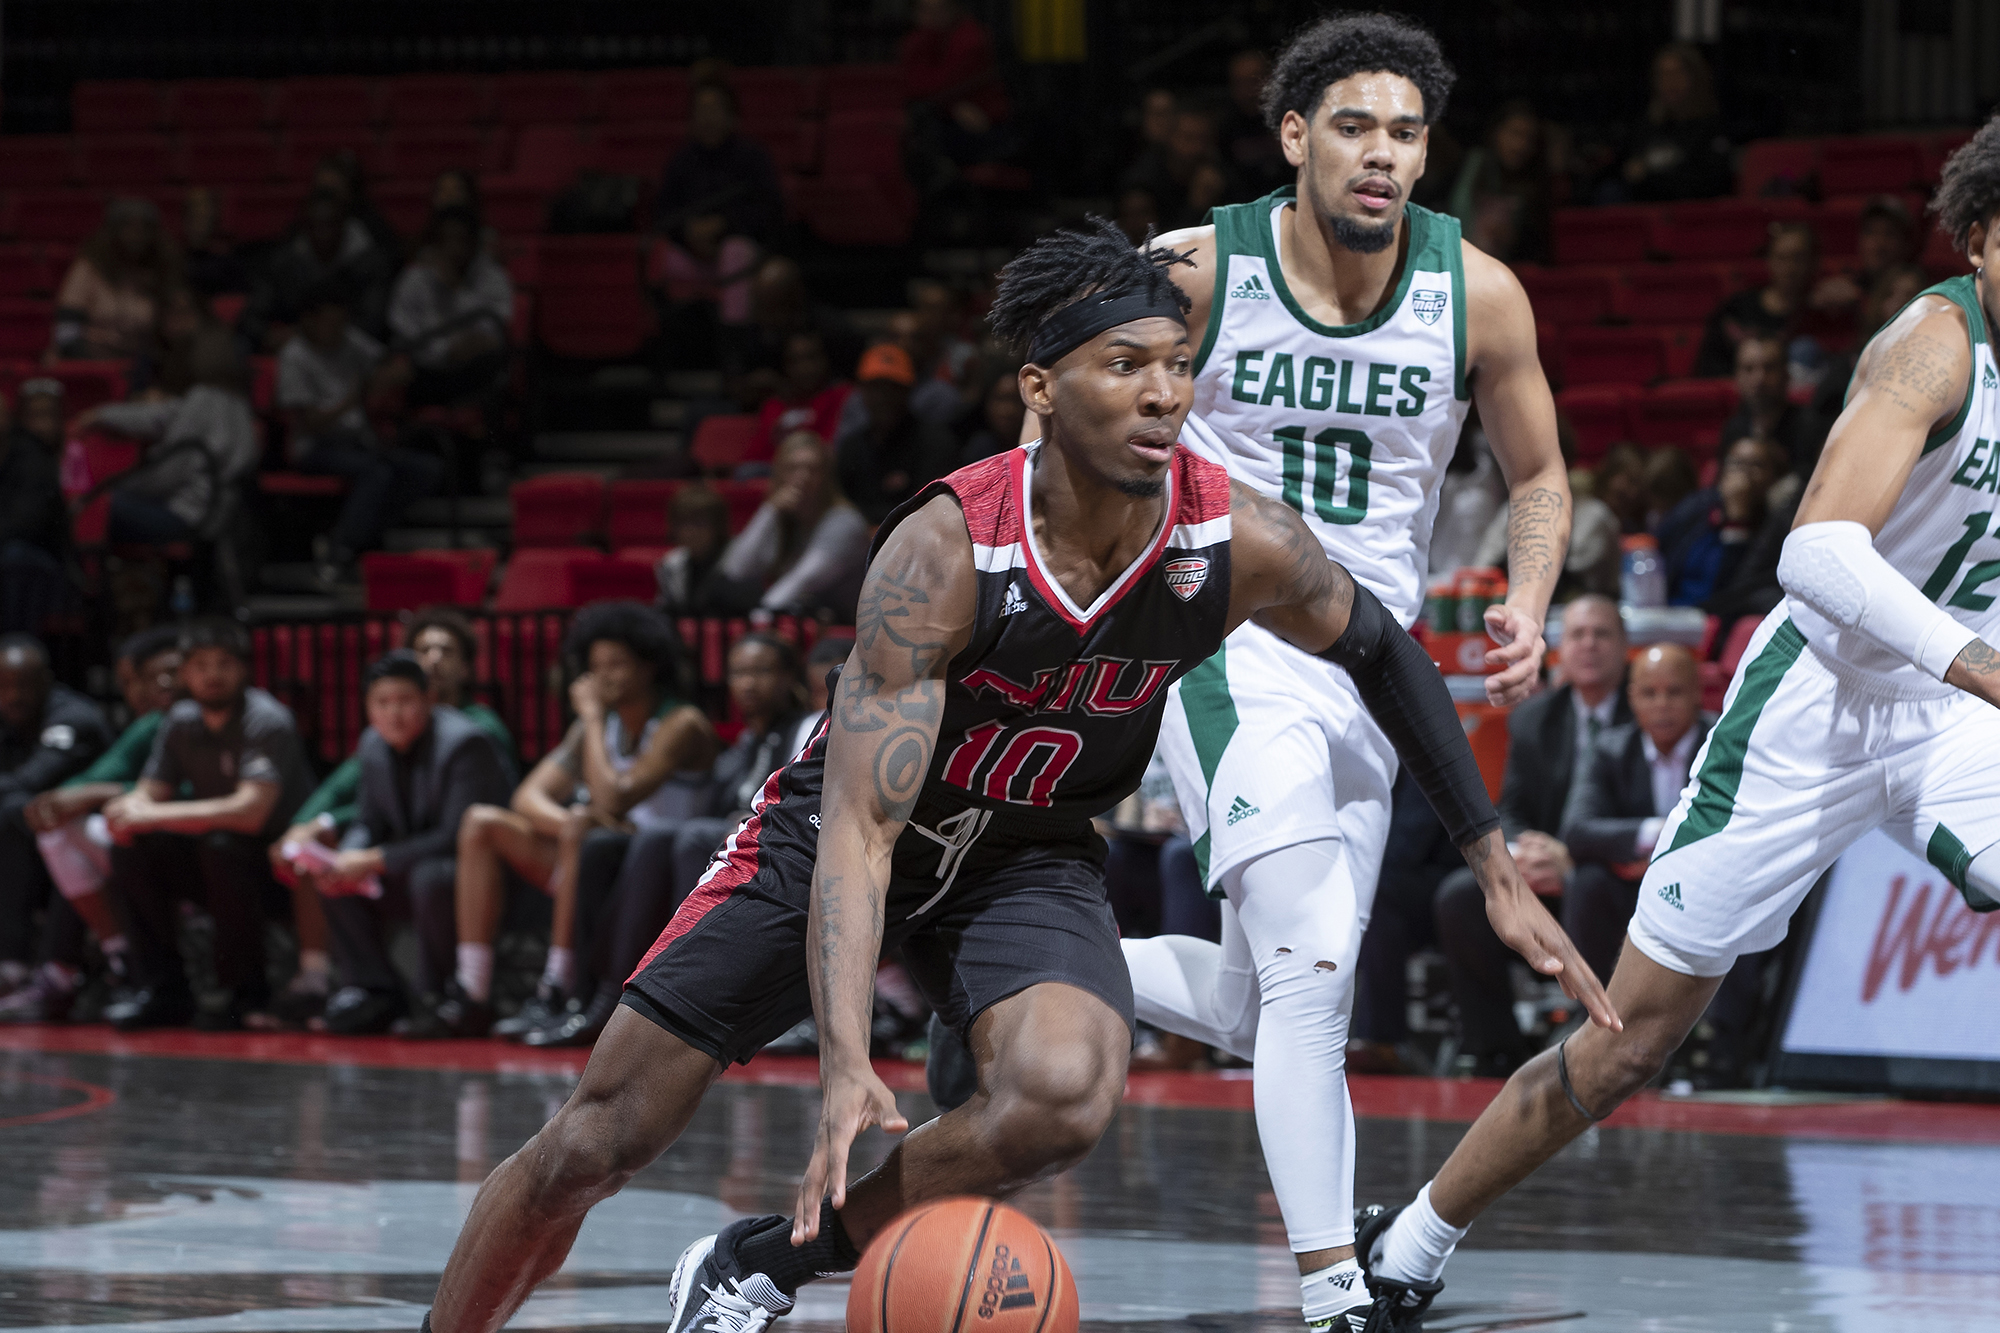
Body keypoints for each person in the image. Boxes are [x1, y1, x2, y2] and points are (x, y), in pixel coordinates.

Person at [417, 217, 1601, 1333]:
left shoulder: (1231, 537)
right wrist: (841, 1066)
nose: (1160, 394)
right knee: (595, 1143)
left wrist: (1490, 860)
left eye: (1177, 366)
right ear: (1039, 388)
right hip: (845, 837)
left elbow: (1383, 651)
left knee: (1061, 1096)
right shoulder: (947, 547)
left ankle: (768, 1261)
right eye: (1121, 364)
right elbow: (858, 838)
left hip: (1025, 856)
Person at [1357, 109, 2000, 1322]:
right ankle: (1410, 1243)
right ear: (1976, 239)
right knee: (1627, 1040)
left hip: (1957, 715)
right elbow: (1814, 551)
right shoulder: (1931, 347)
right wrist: (1974, 660)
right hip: (1814, 704)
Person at [1109, 16, 1580, 1328]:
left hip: (1377, 670)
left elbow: (1538, 473)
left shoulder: (1477, 291)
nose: (1383, 154)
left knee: (1275, 1014)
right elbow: (1061, 413)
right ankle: (1333, 1293)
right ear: (1297, 137)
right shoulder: (1195, 272)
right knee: (1314, 977)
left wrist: (1529, 599)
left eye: (1408, 132)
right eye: (1357, 127)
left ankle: (1015, 947)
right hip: (1226, 647)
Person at [412, 601, 713, 1039]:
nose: (601, 677)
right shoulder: (603, 723)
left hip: (657, 863)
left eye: (616, 665)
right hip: (598, 855)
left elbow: (615, 798)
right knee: (481, 822)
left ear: (649, 667)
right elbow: (527, 797)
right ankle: (472, 989)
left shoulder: (681, 722)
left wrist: (590, 720)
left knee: (581, 829)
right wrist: (576, 820)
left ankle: (559, 983)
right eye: (595, 666)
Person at [553, 633, 806, 1049]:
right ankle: (596, 993)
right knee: (613, 844)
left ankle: (683, 992)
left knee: (684, 836)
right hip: (724, 847)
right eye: (739, 672)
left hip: (779, 853)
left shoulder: (804, 729)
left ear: (788, 678)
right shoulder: (741, 745)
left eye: (762, 671)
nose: (748, 683)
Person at [272, 608, 515, 1021]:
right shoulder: (372, 743)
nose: (394, 713)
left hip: (471, 876)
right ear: (368, 707)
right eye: (383, 703)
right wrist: (346, 857)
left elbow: (453, 836)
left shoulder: (465, 741)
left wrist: (373, 859)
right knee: (332, 875)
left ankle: (436, 995)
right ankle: (372, 988)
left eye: (405, 701)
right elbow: (368, 819)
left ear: (428, 700)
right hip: (404, 863)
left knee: (430, 875)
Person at [1432, 595, 1631, 1076]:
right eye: (1578, 635)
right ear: (1559, 649)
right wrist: (1523, 857)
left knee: (1590, 887)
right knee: (1461, 897)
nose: (1588, 645)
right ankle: (1494, 1044)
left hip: (1610, 879)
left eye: (1601, 634)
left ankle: (1598, 1039)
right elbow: (1512, 811)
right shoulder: (1536, 717)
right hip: (1544, 880)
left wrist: (1575, 860)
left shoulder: (1646, 707)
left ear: (1624, 647)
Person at [100, 618, 315, 1030]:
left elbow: (250, 814)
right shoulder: (180, 721)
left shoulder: (267, 720)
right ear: (184, 673)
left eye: (223, 664)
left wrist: (152, 813)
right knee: (131, 846)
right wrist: (125, 811)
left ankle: (245, 991)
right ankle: (163, 988)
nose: (212, 675)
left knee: (223, 847)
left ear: (243, 670)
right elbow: (150, 791)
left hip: (275, 868)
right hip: (212, 860)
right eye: (200, 665)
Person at [6, 627, 183, 1022]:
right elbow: (89, 783)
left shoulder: (204, 720)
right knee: (60, 826)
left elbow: (185, 791)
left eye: (175, 673)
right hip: (149, 842)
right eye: (149, 679)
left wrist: (93, 794)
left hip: (199, 845)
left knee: (123, 844)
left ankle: (67, 967)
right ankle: (119, 955)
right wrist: (69, 798)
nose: (163, 686)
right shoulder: (152, 725)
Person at [1557, 644, 1712, 992]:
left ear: (1697, 695)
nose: (1661, 704)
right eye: (1649, 693)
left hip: (1705, 883)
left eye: (1674, 692)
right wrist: (1654, 835)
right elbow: (1576, 829)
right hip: (1631, 885)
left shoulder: (1720, 747)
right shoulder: (1610, 748)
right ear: (1632, 698)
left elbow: (1736, 829)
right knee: (1588, 881)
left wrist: (1663, 859)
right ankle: (1593, 1011)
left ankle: (1724, 1036)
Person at [278, 283, 442, 577]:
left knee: (424, 470)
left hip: (357, 443)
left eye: (342, 322)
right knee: (376, 472)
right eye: (331, 323)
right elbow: (310, 423)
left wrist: (386, 378)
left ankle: (366, 537)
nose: (339, 329)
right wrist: (351, 401)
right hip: (315, 447)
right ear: (309, 320)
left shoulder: (349, 340)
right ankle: (340, 550)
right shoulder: (294, 356)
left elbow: (395, 366)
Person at [0, 634, 112, 1006]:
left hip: (91, 832)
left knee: (15, 814)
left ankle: (17, 962)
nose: (14, 695)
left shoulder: (73, 718)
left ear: (46, 681)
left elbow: (32, 780)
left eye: (23, 684)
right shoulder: (9, 721)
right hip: (41, 839)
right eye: (4, 685)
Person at [89, 326, 259, 549]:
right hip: (217, 516)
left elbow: (169, 473)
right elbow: (163, 415)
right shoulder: (239, 405)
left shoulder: (204, 399)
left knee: (94, 507)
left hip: (185, 516)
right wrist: (102, 415)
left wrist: (114, 487)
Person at [716, 432, 871, 620]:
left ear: (827, 476)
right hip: (800, 623)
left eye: (813, 469)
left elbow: (802, 581)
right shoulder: (783, 519)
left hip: (844, 630)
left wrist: (759, 620)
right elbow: (736, 570)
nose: (802, 477)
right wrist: (769, 511)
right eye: (792, 468)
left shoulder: (845, 523)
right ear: (779, 473)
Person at [387, 204, 513, 409]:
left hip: (473, 371)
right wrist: (445, 351)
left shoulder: (492, 277)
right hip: (425, 372)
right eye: (446, 239)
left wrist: (456, 290)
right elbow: (404, 331)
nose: (454, 248)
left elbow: (490, 337)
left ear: (474, 242)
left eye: (461, 239)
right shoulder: (415, 278)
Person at [241, 187, 395, 350]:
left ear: (344, 224)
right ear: (305, 227)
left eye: (330, 224)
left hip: (353, 353)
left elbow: (372, 323)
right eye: (315, 225)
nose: (323, 234)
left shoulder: (370, 264)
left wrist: (312, 335)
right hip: (294, 353)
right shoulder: (284, 263)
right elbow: (251, 318)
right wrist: (267, 335)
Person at [1656, 434, 1787, 607]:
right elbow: (1660, 546)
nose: (1744, 473)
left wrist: (1737, 522)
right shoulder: (1697, 507)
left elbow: (1735, 591)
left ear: (1772, 477)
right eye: (1737, 463)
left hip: (1722, 619)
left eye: (1756, 465)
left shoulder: (1776, 524)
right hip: (1673, 611)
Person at [834, 343, 959, 524]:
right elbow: (839, 504)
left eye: (891, 388)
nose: (882, 397)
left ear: (908, 391)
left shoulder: (935, 442)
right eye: (874, 387)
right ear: (861, 391)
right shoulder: (852, 446)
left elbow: (936, 510)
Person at [50, 197, 182, 362]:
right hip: (93, 362)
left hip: (145, 364)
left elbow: (176, 332)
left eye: (143, 228)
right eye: (129, 226)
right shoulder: (89, 268)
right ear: (113, 230)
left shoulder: (162, 271)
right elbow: (66, 332)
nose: (136, 235)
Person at [1692, 221, 1820, 377]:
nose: (1790, 268)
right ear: (1769, 260)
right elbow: (1708, 368)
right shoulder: (1736, 310)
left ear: (1813, 262)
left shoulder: (1825, 313)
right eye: (1781, 258)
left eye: (1798, 258)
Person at [1609, 41, 1732, 203]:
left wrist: (1651, 177)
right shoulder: (1646, 126)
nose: (1670, 82)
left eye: (1678, 73)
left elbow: (1711, 184)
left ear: (1695, 78)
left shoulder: (1712, 128)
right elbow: (1624, 170)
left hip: (1690, 218)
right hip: (1647, 216)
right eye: (1663, 75)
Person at [1446, 99, 1553, 264]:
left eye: (1529, 139)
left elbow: (1538, 251)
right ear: (1497, 132)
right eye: (1515, 134)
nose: (1520, 145)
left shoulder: (1535, 187)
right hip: (1458, 264)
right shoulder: (1473, 166)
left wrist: (1514, 238)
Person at [0, 383, 70, 634]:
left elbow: (24, 523)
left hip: (44, 562)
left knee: (13, 557)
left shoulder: (34, 458)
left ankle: (13, 646)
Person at [1121, 106, 1232, 232]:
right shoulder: (1142, 185)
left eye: (1203, 139)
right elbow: (1146, 242)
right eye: (1188, 138)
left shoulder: (1217, 173)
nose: (1197, 148)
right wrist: (1196, 207)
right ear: (1170, 138)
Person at [1718, 333, 1815, 476]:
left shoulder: (1810, 426)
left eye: (1769, 368)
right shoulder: (1733, 429)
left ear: (1786, 374)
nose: (1759, 379)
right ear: (1737, 377)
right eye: (1749, 369)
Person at [751, 331, 852, 469]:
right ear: (786, 367)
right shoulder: (774, 406)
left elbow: (835, 452)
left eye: (811, 358)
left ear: (825, 360)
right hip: (773, 476)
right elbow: (754, 457)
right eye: (795, 360)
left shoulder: (842, 397)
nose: (804, 367)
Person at [653, 484, 756, 617]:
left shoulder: (741, 560)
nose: (689, 532)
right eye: (682, 523)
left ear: (717, 526)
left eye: (699, 523)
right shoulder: (670, 565)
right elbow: (664, 614)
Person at [1220, 49, 1290, 201]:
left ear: (1269, 80)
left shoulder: (1291, 118)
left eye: (1253, 81)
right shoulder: (1224, 127)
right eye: (1240, 82)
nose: (1248, 91)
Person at [181, 187, 246, 299]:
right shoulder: (174, 259)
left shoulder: (227, 260)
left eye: (204, 218)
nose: (199, 225)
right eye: (194, 217)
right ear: (185, 220)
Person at [957, 364, 1028, 465]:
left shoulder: (1034, 450)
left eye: (1016, 400)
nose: (1008, 410)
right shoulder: (977, 446)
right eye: (1001, 399)